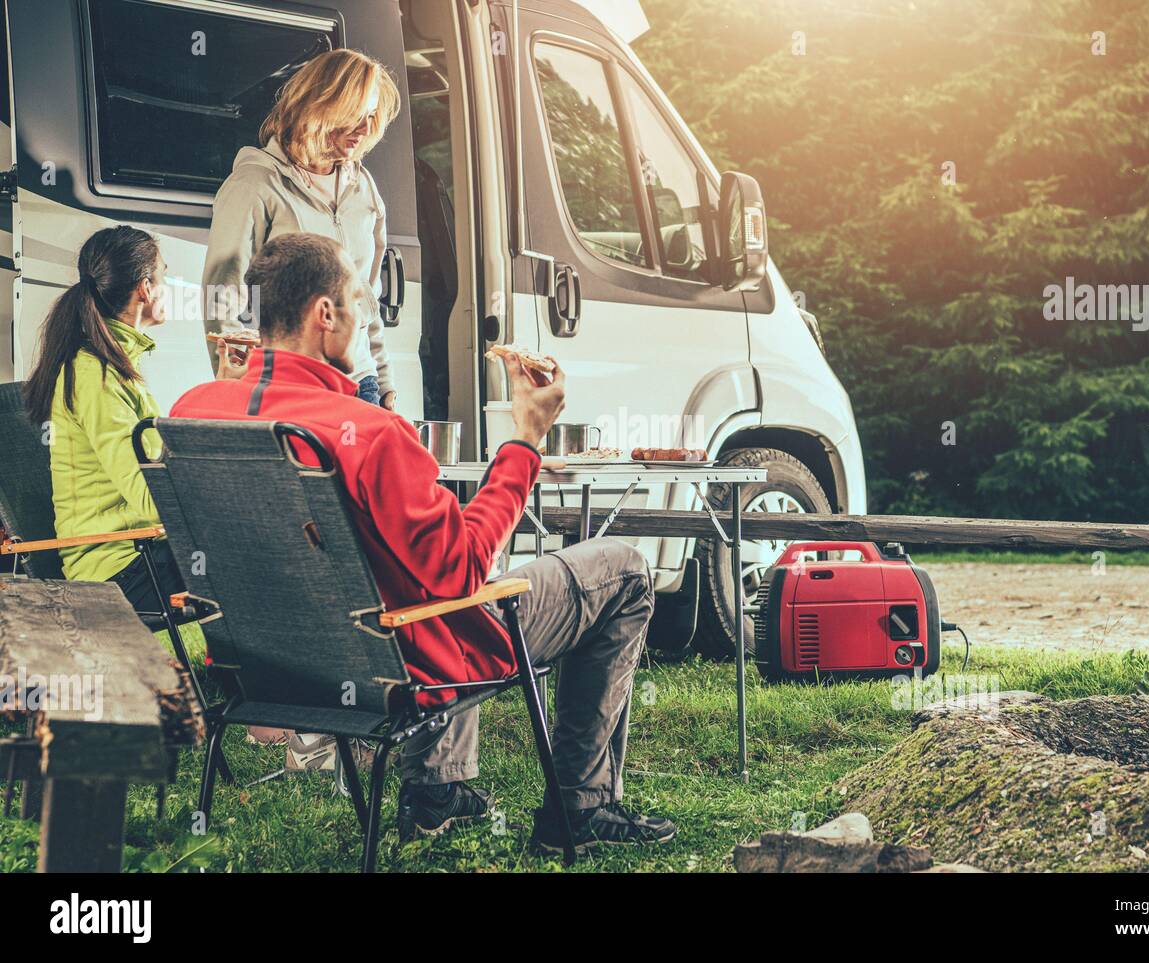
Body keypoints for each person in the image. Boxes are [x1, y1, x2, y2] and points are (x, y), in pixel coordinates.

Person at [172, 232, 676, 854]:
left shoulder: (192, 411)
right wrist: (524, 443)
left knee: (410, 570)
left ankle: (441, 789)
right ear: (323, 315)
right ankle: (582, 806)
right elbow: (462, 572)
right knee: (623, 568)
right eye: (357, 303)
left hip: (266, 671)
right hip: (406, 664)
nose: (362, 323)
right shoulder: (372, 433)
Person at [23, 226, 240, 609]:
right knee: (257, 553)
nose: (169, 286)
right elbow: (155, 499)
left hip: (141, 552)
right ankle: (237, 667)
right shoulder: (98, 377)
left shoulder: (113, 364)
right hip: (119, 571)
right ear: (145, 288)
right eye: (164, 275)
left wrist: (221, 390)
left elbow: (155, 461)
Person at [203, 48, 400, 409]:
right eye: (356, 115)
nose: (365, 129)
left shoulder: (363, 187)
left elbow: (365, 296)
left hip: (360, 383)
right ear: (321, 104)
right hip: (287, 384)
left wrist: (383, 381)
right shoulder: (254, 184)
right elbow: (222, 292)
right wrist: (237, 385)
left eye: (372, 116)